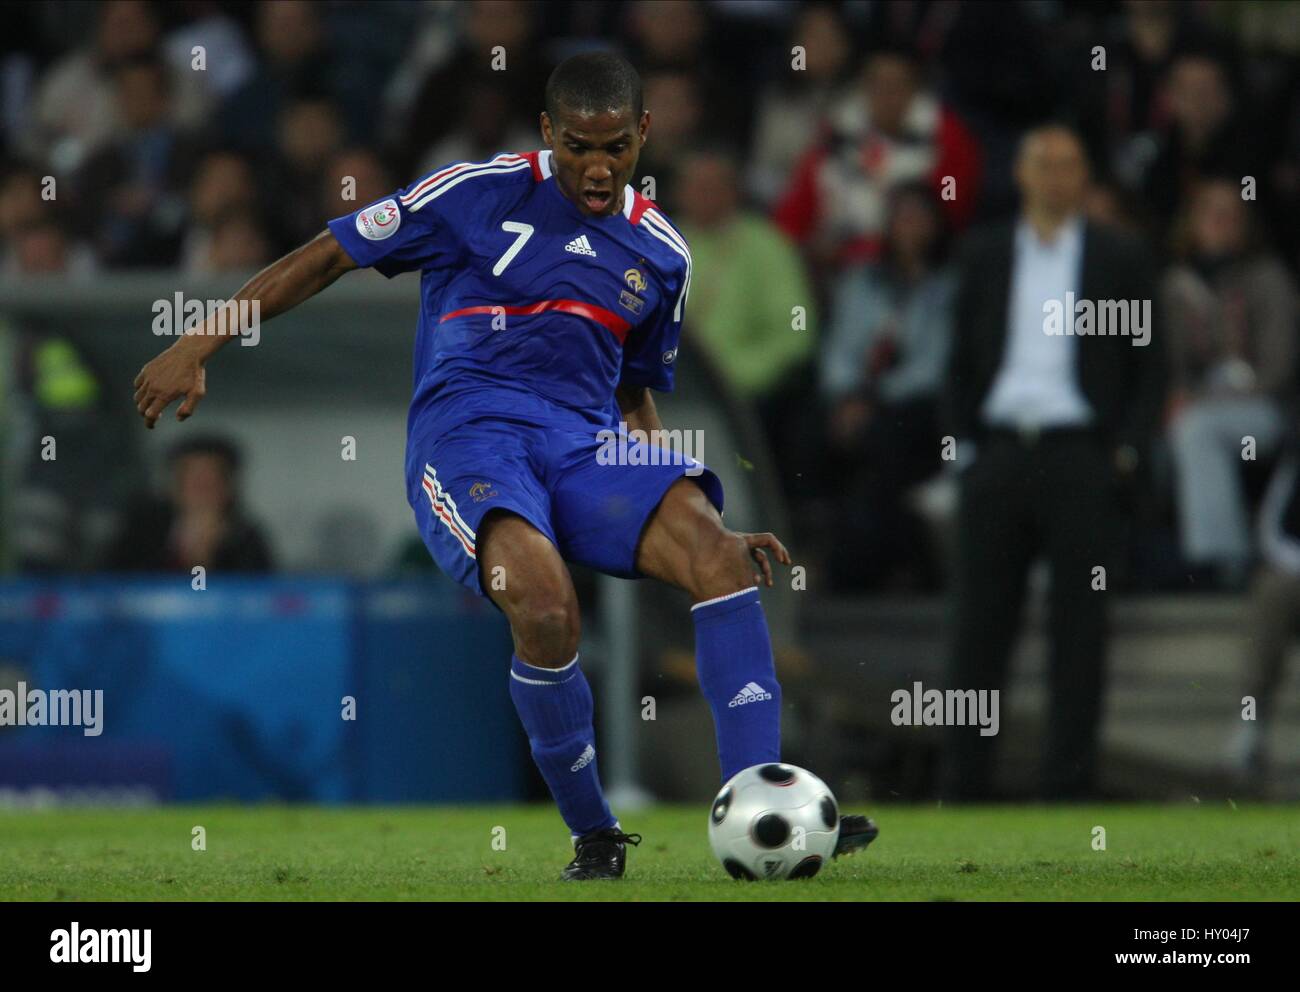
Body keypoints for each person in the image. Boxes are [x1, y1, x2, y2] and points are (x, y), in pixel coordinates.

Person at [131, 52, 878, 880]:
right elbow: (328, 255)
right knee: (546, 604)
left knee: (722, 559)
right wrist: (201, 340)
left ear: (645, 135)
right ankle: (595, 834)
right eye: (579, 148)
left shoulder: (661, 253)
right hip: (471, 436)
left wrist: (677, 497)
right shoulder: (470, 192)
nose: (598, 169)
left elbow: (633, 390)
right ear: (549, 132)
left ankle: (766, 802)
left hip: (587, 443)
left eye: (617, 148)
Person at [941, 124, 1166, 800]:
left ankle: (1068, 790)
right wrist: (966, 448)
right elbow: (956, 360)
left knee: (1081, 631)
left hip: (1081, 455)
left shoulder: (1118, 256)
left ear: (1086, 177)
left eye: (1071, 165)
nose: (1057, 177)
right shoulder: (985, 254)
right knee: (979, 627)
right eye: (1045, 163)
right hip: (1002, 450)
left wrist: (1125, 451)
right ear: (1022, 173)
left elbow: (1150, 366)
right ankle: (965, 788)